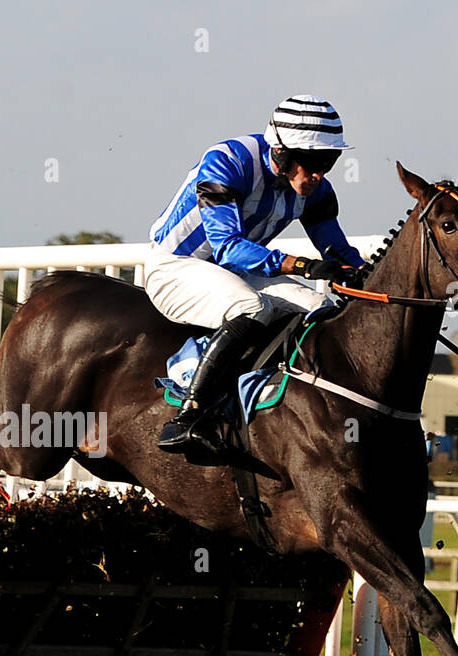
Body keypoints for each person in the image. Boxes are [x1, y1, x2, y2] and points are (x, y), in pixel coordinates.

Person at [146, 94, 366, 455]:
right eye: (312, 161)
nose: (318, 174)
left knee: (320, 306)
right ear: (280, 152)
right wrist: (302, 265)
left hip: (237, 272)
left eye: (329, 161)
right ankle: (189, 417)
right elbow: (227, 247)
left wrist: (361, 275)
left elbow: (337, 251)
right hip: (176, 268)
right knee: (251, 307)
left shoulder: (316, 190)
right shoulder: (227, 162)